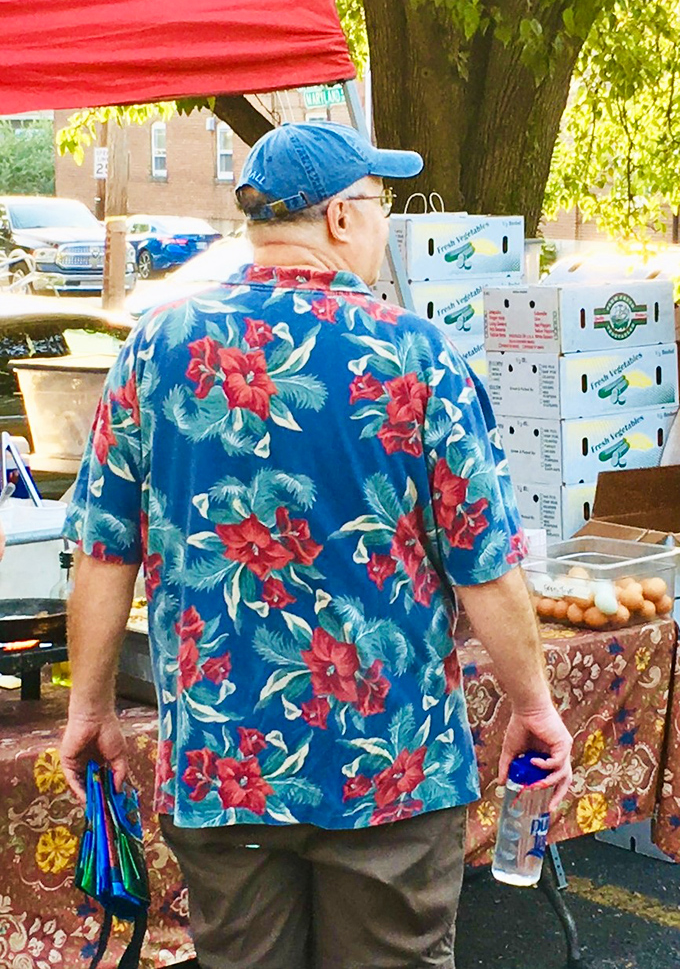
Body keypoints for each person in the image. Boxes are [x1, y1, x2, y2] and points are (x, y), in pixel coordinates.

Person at [60, 121, 572, 969]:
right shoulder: (417, 355)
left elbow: (103, 551)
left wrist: (89, 709)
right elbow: (485, 562)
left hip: (227, 772)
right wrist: (534, 708)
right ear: (340, 218)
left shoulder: (154, 349)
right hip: (392, 772)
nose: (383, 228)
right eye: (381, 207)